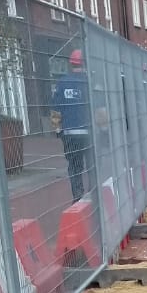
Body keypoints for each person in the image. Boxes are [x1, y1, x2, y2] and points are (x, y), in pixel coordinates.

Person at [52, 48, 92, 201]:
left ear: (71, 64)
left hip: (69, 134)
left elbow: (56, 110)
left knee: (75, 167)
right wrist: (103, 129)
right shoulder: (89, 83)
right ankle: (93, 194)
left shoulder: (62, 83)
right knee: (92, 165)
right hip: (88, 133)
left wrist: (57, 130)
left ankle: (77, 196)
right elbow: (100, 110)